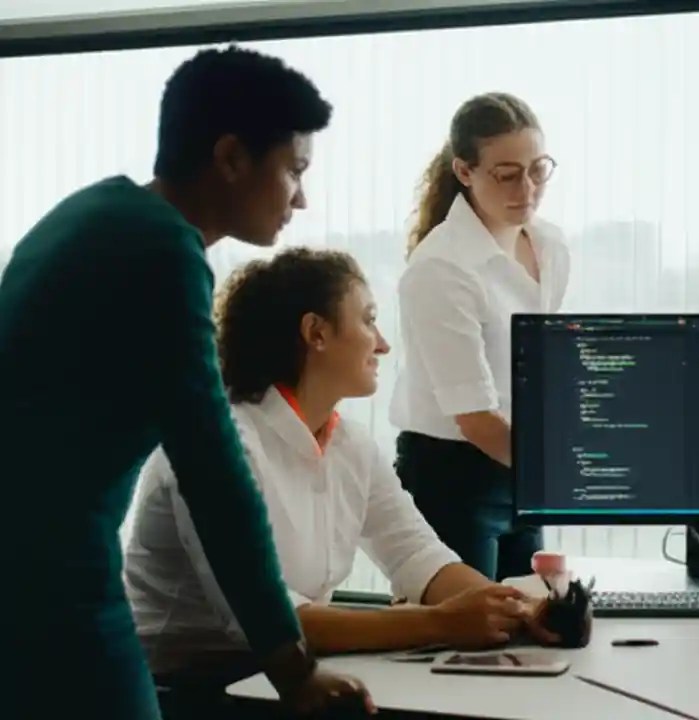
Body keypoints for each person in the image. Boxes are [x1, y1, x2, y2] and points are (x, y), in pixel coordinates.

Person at [0, 47, 373, 718]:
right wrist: (292, 669)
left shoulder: (89, 215)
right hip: (50, 587)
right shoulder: (162, 251)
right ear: (231, 158)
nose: (303, 197)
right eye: (294, 170)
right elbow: (213, 473)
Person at [125, 247, 558, 696]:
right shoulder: (223, 448)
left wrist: (522, 610)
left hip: (279, 678)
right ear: (316, 333)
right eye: (369, 320)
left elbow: (417, 556)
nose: (384, 343)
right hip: (188, 692)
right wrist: (439, 622)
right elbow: (266, 621)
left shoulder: (350, 443)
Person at [390, 93, 570, 581]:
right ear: (465, 172)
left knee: (531, 624)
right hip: (452, 476)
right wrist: (561, 475)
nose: (527, 188)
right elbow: (473, 416)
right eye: (507, 174)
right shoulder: (441, 269)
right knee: (464, 639)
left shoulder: (550, 246)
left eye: (538, 169)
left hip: (517, 463)